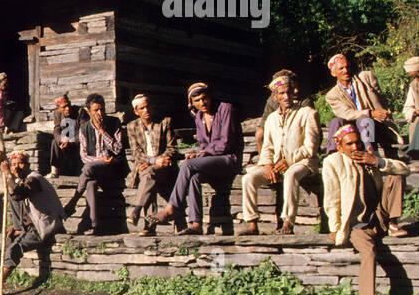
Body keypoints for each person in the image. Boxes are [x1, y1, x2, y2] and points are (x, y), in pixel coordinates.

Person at [323, 123, 411, 295]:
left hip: (379, 216)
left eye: (357, 142)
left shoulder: (367, 156)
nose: (355, 147)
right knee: (369, 253)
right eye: (349, 144)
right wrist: (335, 227)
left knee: (396, 174)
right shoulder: (333, 162)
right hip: (358, 225)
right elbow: (332, 197)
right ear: (340, 146)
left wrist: (377, 161)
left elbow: (405, 169)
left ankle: (392, 223)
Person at [324, 53, 406, 236]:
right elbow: (346, 113)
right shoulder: (332, 95)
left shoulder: (365, 78)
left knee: (364, 121)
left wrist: (383, 112)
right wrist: (369, 113)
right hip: (356, 125)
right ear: (333, 73)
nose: (346, 70)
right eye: (341, 69)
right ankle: (332, 155)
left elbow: (381, 100)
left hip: (377, 126)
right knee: (339, 122)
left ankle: (370, 150)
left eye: (347, 66)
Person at [153, 82, 243, 235]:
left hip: (229, 159)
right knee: (194, 176)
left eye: (204, 98)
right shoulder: (199, 116)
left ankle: (172, 207)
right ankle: (196, 224)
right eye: (197, 101)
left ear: (210, 96)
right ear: (192, 103)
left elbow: (226, 143)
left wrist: (202, 154)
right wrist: (198, 153)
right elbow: (203, 144)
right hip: (213, 162)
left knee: (188, 165)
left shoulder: (225, 109)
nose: (202, 103)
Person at [238, 75, 321, 235]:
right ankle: (252, 224)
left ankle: (288, 222)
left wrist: (289, 160)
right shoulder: (271, 119)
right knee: (248, 178)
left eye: (289, 92)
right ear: (275, 96)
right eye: (282, 93)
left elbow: (310, 147)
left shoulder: (308, 113)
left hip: (303, 162)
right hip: (277, 165)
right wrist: (268, 165)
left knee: (291, 174)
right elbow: (267, 147)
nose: (286, 96)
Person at [0, 150, 65, 295]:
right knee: (8, 239)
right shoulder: (21, 180)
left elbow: (17, 194)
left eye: (21, 163)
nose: (17, 167)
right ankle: (2, 272)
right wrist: (16, 226)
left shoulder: (34, 179)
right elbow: (18, 200)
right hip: (30, 226)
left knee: (14, 249)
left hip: (43, 227)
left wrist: (7, 173)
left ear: (28, 164)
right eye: (13, 165)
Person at [68, 93, 127, 235]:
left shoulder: (114, 123)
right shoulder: (84, 128)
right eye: (96, 110)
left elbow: (118, 150)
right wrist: (99, 160)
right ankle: (95, 225)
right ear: (88, 111)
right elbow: (84, 156)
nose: (100, 113)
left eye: (102, 109)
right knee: (91, 183)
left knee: (88, 169)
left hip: (113, 167)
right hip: (96, 168)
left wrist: (102, 131)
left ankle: (73, 202)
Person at [125, 93, 178, 233]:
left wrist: (159, 160)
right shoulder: (132, 127)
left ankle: (137, 210)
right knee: (149, 176)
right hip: (149, 167)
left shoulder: (165, 122)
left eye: (148, 106)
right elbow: (136, 153)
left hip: (165, 167)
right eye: (141, 108)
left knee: (148, 174)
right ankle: (148, 226)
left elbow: (172, 148)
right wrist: (153, 161)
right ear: (136, 111)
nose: (146, 110)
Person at [49, 93, 81, 178]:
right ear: (59, 109)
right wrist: (61, 139)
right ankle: (54, 171)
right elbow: (56, 129)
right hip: (65, 142)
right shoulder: (57, 113)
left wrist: (70, 141)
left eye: (68, 105)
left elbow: (84, 132)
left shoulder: (80, 112)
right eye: (64, 107)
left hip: (78, 141)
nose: (68, 108)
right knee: (54, 142)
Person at [402, 56, 419, 159]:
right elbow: (408, 107)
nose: (416, 79)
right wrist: (414, 111)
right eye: (414, 77)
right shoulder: (414, 85)